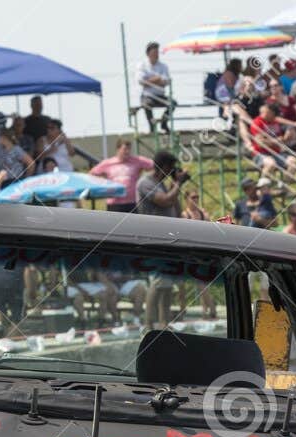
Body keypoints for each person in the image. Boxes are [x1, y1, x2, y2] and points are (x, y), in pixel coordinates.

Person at [136, 151, 185, 328]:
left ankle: (164, 322)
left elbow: (175, 207)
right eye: (170, 167)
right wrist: (178, 182)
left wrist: (175, 184)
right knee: (157, 283)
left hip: (168, 238)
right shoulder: (145, 183)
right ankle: (148, 325)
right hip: (153, 237)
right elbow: (164, 201)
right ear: (163, 166)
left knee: (167, 284)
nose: (172, 170)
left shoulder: (163, 184)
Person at [90, 140, 154, 214]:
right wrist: (103, 185)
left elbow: (155, 166)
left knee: (133, 225)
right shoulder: (108, 163)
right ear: (118, 149)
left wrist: (147, 180)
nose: (127, 152)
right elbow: (92, 174)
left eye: (129, 149)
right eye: (125, 149)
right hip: (114, 203)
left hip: (132, 202)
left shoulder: (137, 160)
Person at [138, 41, 172, 133]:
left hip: (160, 95)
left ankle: (164, 123)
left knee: (172, 103)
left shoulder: (163, 66)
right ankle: (152, 127)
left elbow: (166, 81)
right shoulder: (142, 65)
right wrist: (157, 79)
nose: (156, 55)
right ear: (148, 54)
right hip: (148, 95)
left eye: (157, 52)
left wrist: (150, 81)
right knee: (146, 104)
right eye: (154, 52)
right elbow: (141, 81)